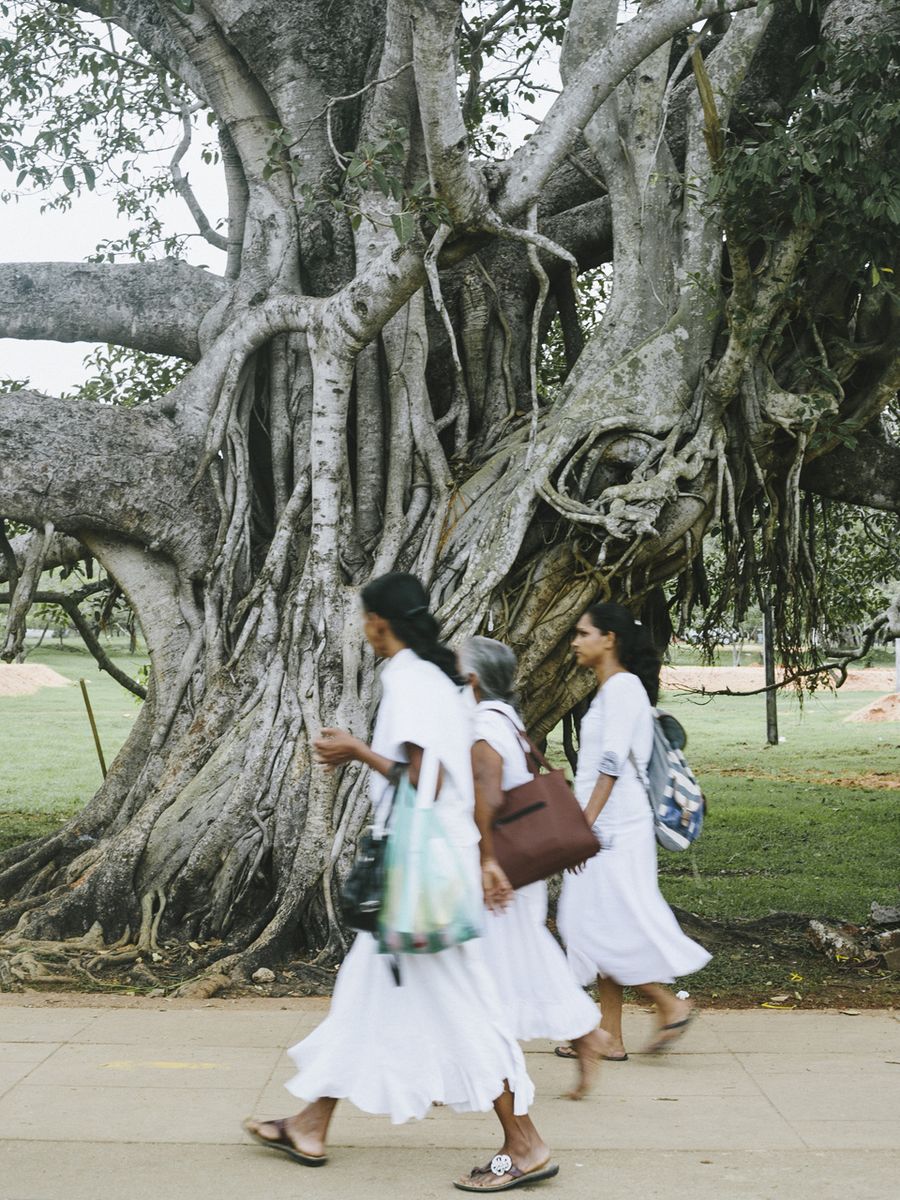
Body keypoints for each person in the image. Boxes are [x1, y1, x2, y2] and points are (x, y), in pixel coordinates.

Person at [245, 573, 558, 1194]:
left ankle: (524, 1144)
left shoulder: (409, 678)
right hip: (429, 872)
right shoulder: (436, 680)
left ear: (378, 624)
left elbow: (427, 781)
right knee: (364, 990)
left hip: (425, 882)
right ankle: (309, 1125)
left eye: (364, 620)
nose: (363, 630)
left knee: (462, 1007)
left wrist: (356, 750)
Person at [459, 635, 617, 1099]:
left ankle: (477, 1069)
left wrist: (486, 861)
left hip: (499, 868)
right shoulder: (509, 720)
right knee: (525, 958)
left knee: (479, 966)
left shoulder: (484, 726)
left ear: (471, 679)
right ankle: (586, 1033)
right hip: (519, 868)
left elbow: (486, 799)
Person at [556, 602, 711, 1061]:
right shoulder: (614, 690)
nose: (575, 642)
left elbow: (612, 764)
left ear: (610, 639)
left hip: (613, 829)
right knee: (600, 924)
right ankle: (612, 1037)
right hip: (609, 825)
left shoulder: (622, 689)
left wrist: (584, 824)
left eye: (583, 633)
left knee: (592, 925)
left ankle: (669, 1004)